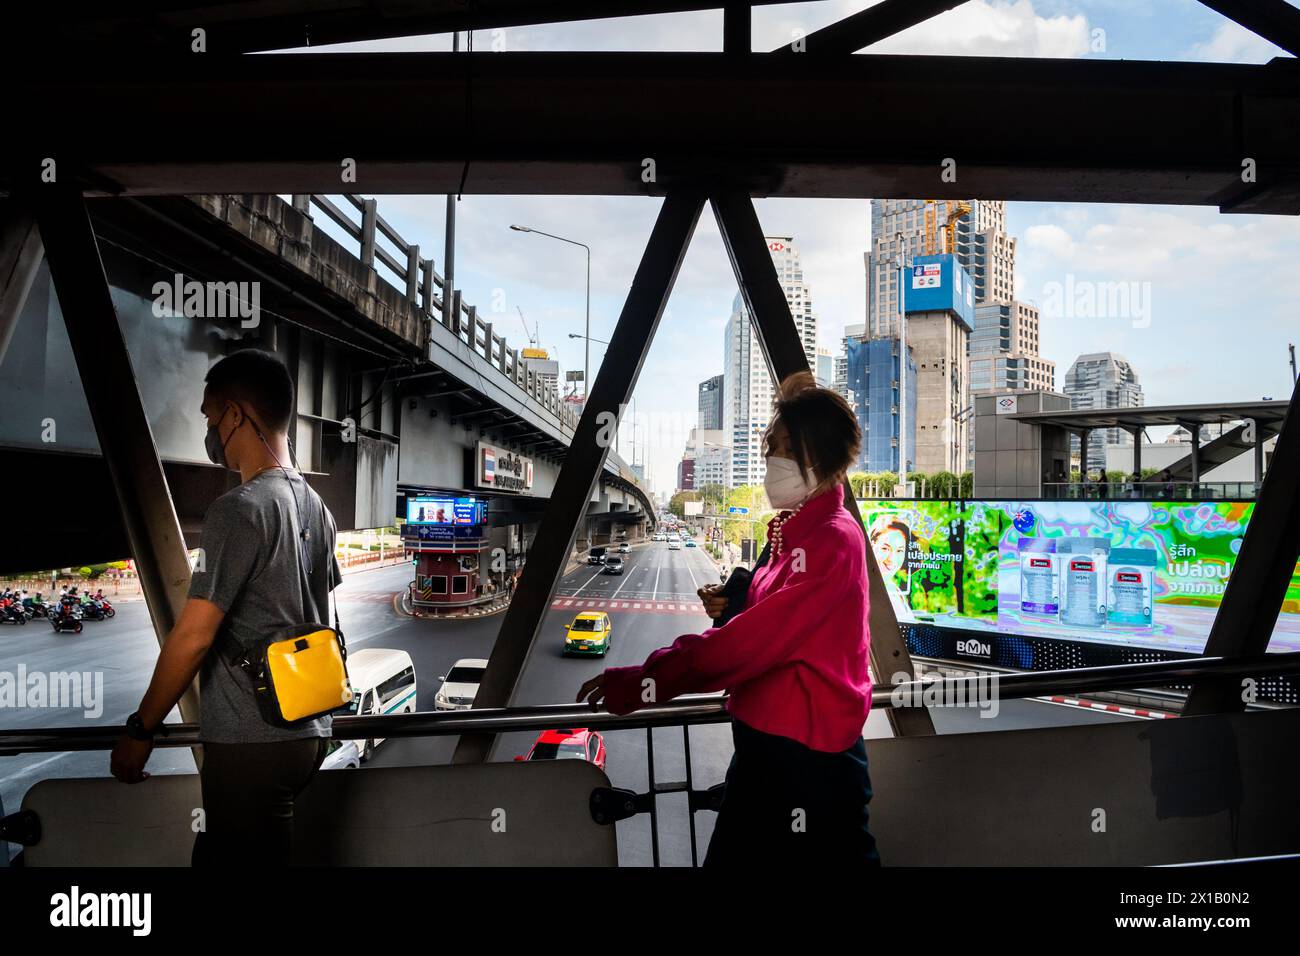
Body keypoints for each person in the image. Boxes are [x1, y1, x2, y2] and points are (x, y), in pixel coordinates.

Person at [578, 371, 879, 868]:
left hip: (807, 768)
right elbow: (771, 624)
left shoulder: (831, 538)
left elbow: (743, 647)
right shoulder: (790, 533)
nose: (769, 460)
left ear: (818, 455)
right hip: (766, 756)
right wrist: (737, 601)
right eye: (770, 448)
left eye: (782, 448)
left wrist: (643, 682)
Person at [110, 349, 341, 867]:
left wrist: (140, 728)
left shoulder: (236, 511)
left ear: (236, 413)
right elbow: (313, 611)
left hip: (249, 742)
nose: (210, 429)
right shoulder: (317, 508)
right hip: (307, 734)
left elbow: (193, 636)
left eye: (211, 415)